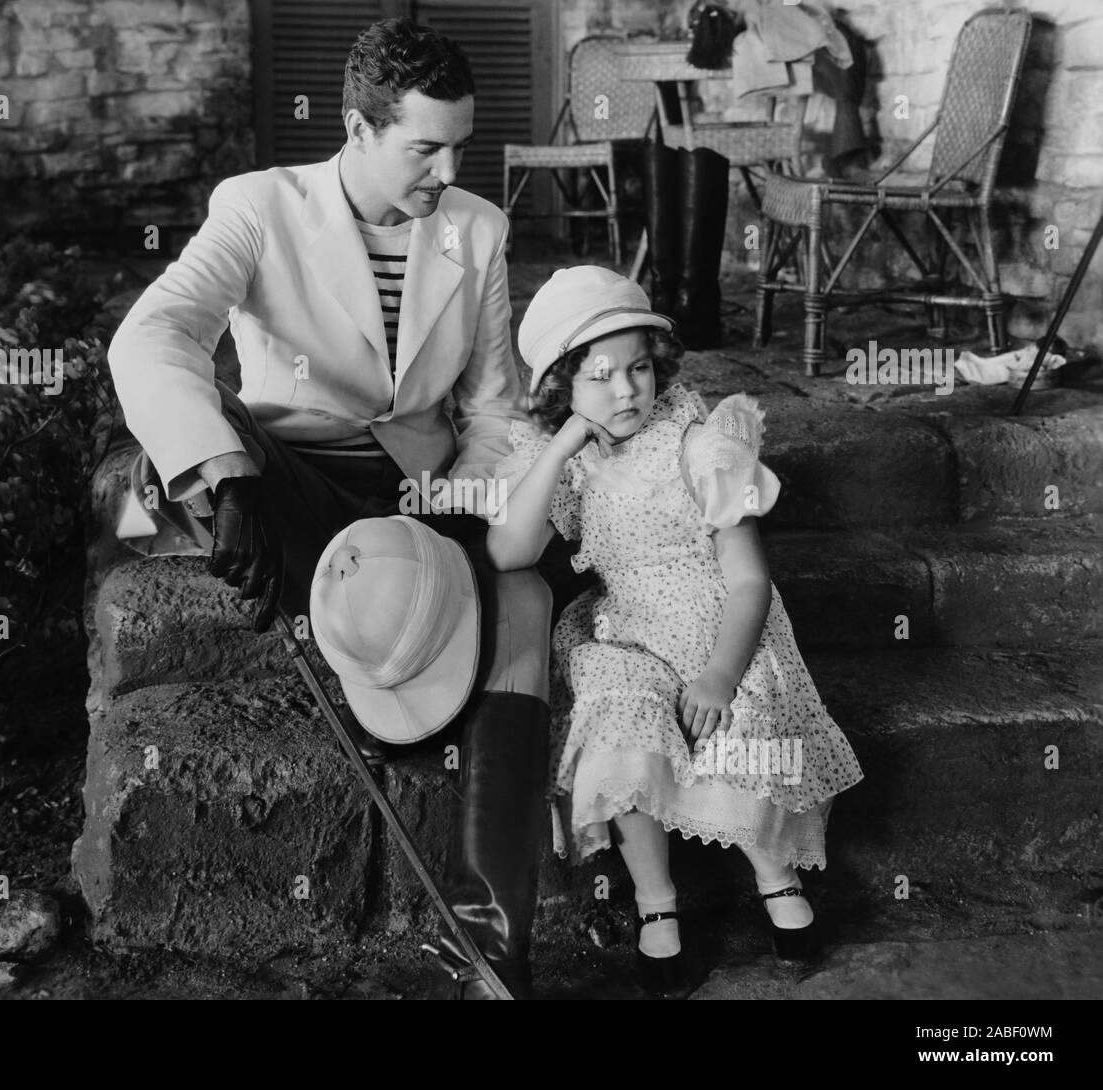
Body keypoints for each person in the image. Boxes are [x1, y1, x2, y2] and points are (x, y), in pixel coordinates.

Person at [107, 17, 572, 998]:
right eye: (424, 146)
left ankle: (489, 937)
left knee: (524, 594)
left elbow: (490, 408)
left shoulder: (476, 229)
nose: (448, 168)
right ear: (358, 127)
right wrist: (228, 477)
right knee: (182, 446)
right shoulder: (258, 207)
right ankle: (231, 509)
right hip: (293, 479)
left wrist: (460, 505)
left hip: (423, 489)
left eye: (461, 144)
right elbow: (152, 336)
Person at [486, 266, 864, 997]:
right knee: (617, 714)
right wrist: (564, 443)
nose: (626, 391)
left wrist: (721, 671)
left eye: (638, 369)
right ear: (563, 387)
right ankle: (657, 901)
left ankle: (774, 875)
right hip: (630, 630)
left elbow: (751, 581)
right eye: (600, 377)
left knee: (745, 719)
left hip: (724, 629)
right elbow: (508, 551)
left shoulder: (698, 442)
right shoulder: (564, 459)